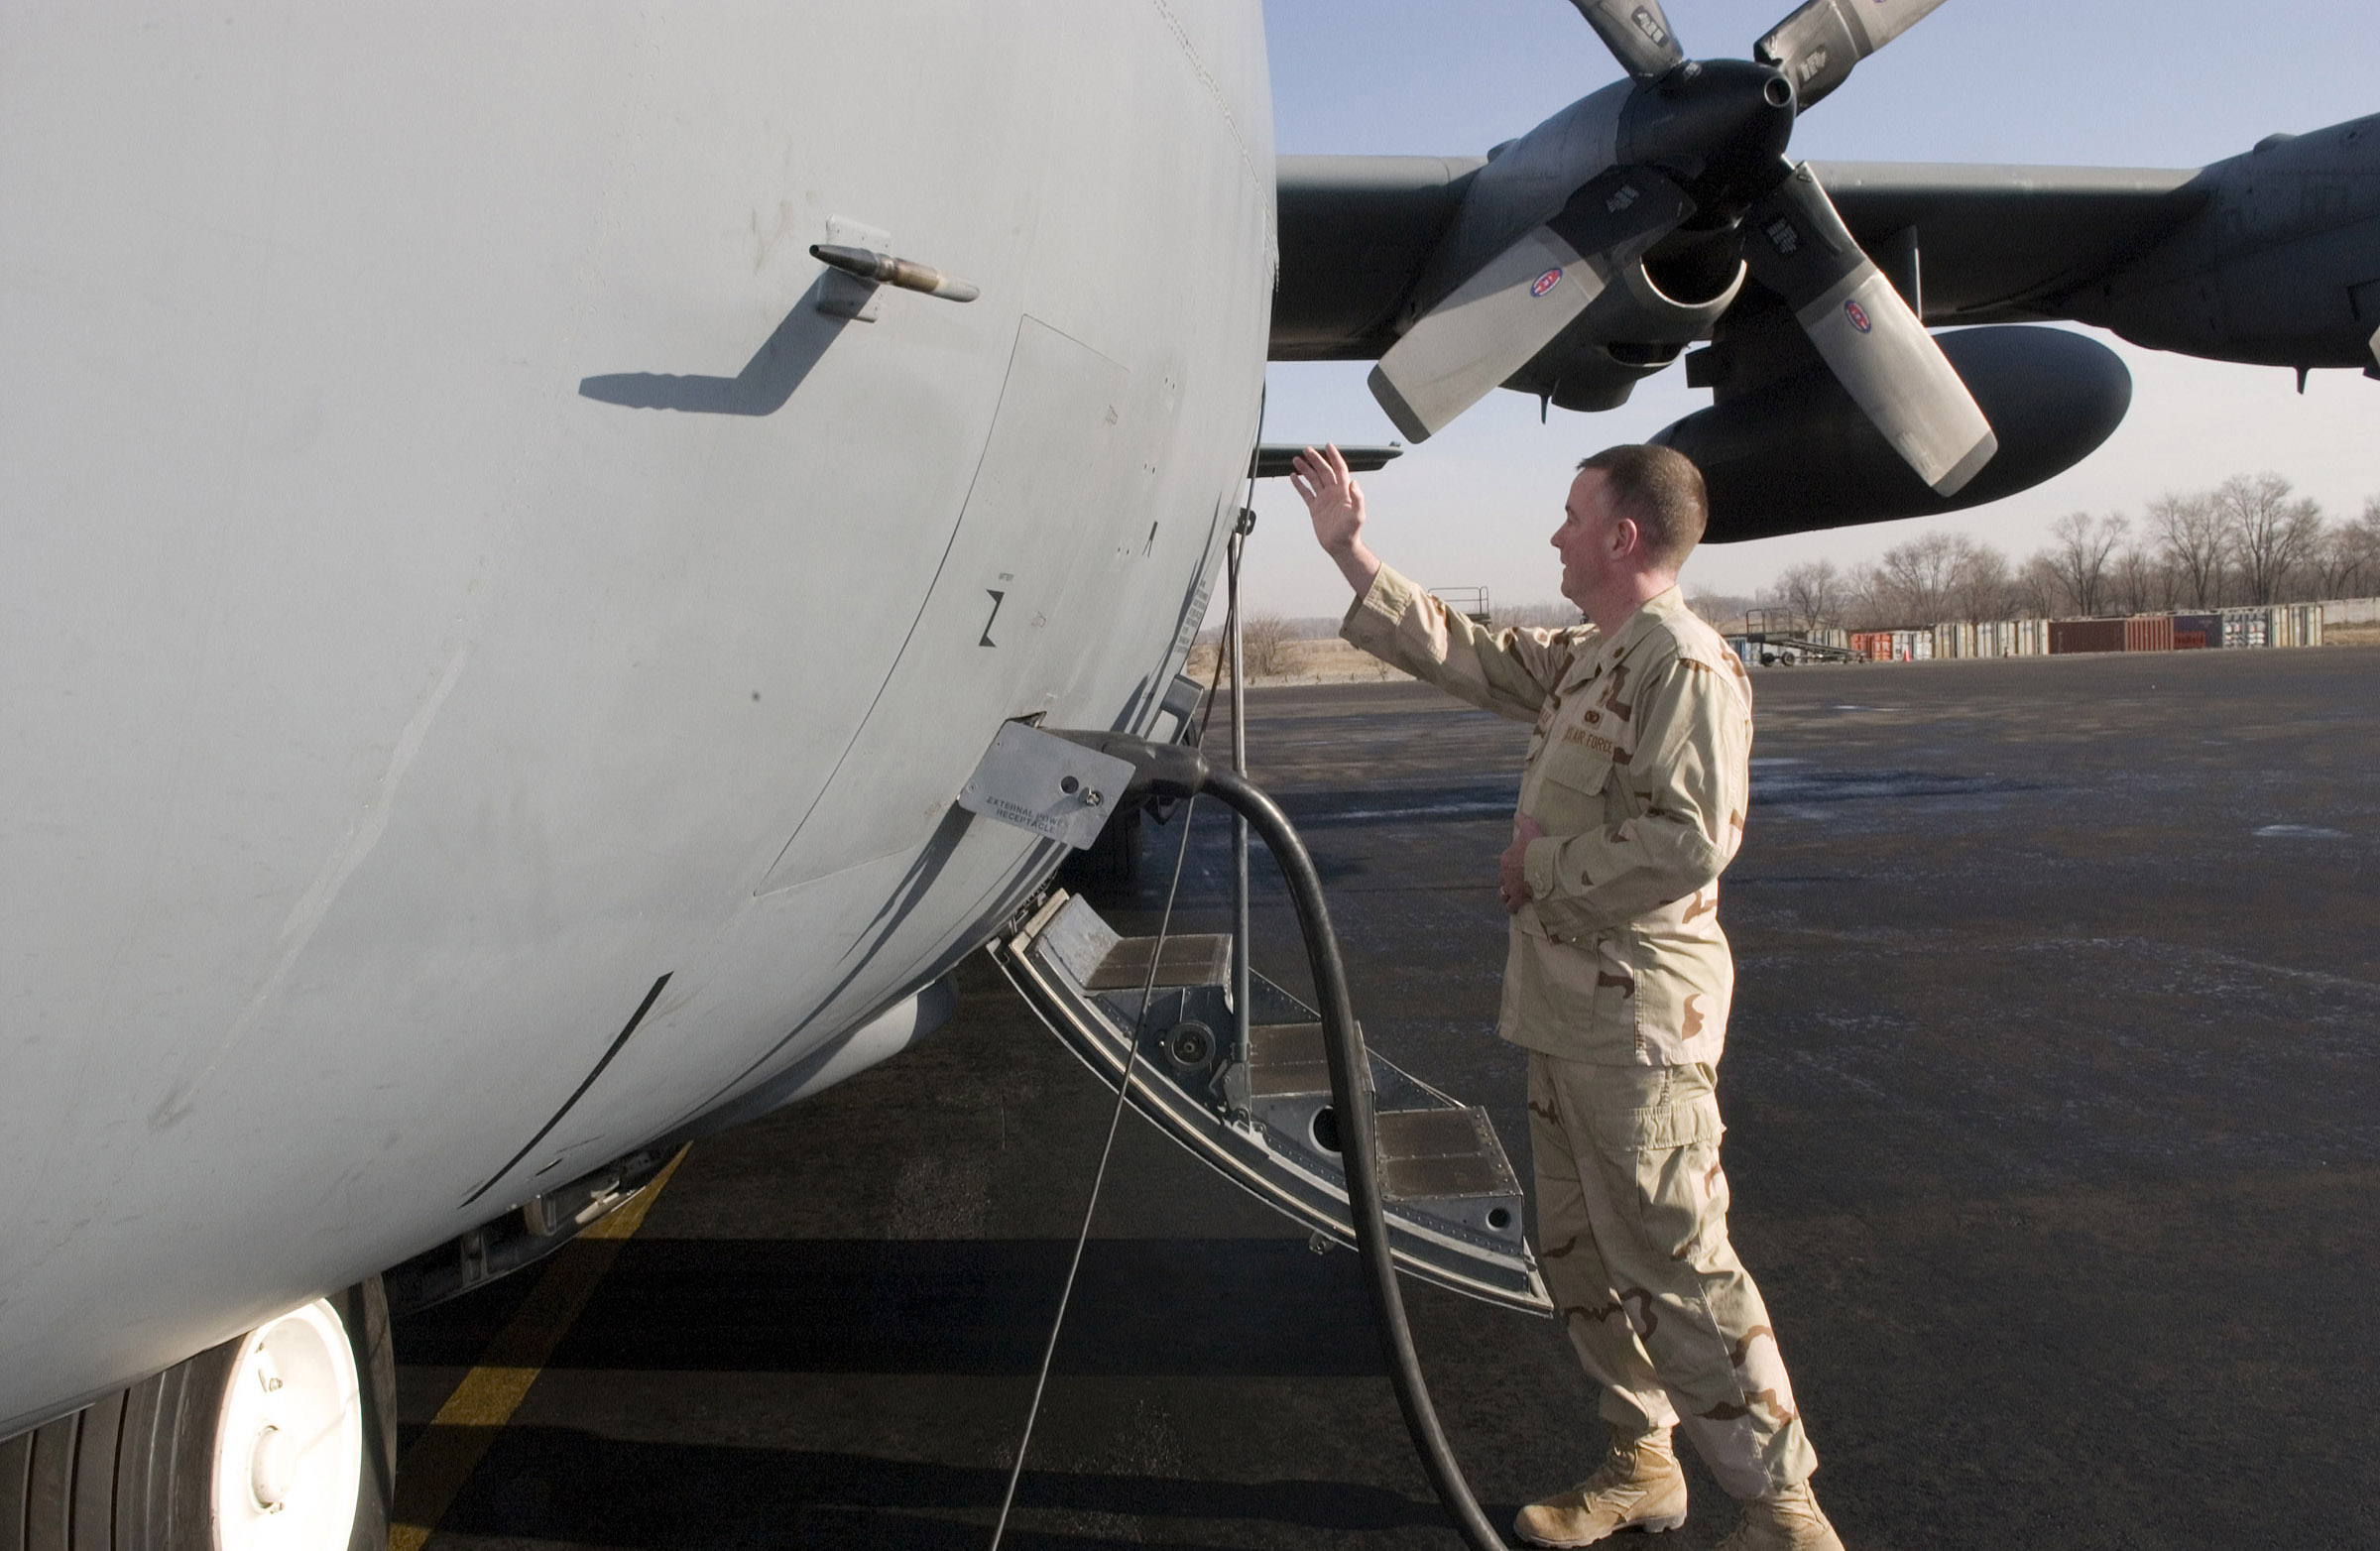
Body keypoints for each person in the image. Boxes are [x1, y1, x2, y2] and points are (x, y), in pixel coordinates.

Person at [1289, 442, 1843, 1551]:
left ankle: (1785, 1511)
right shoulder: (1599, 658)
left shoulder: (1678, 665)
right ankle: (1644, 1460)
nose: (1553, 535)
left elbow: (1695, 840)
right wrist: (1355, 557)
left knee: (1677, 1256)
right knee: (1586, 1253)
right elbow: (1479, 656)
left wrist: (1541, 868)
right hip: (1569, 1014)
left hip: (1638, 1023)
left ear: (1622, 537)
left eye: (1570, 515)